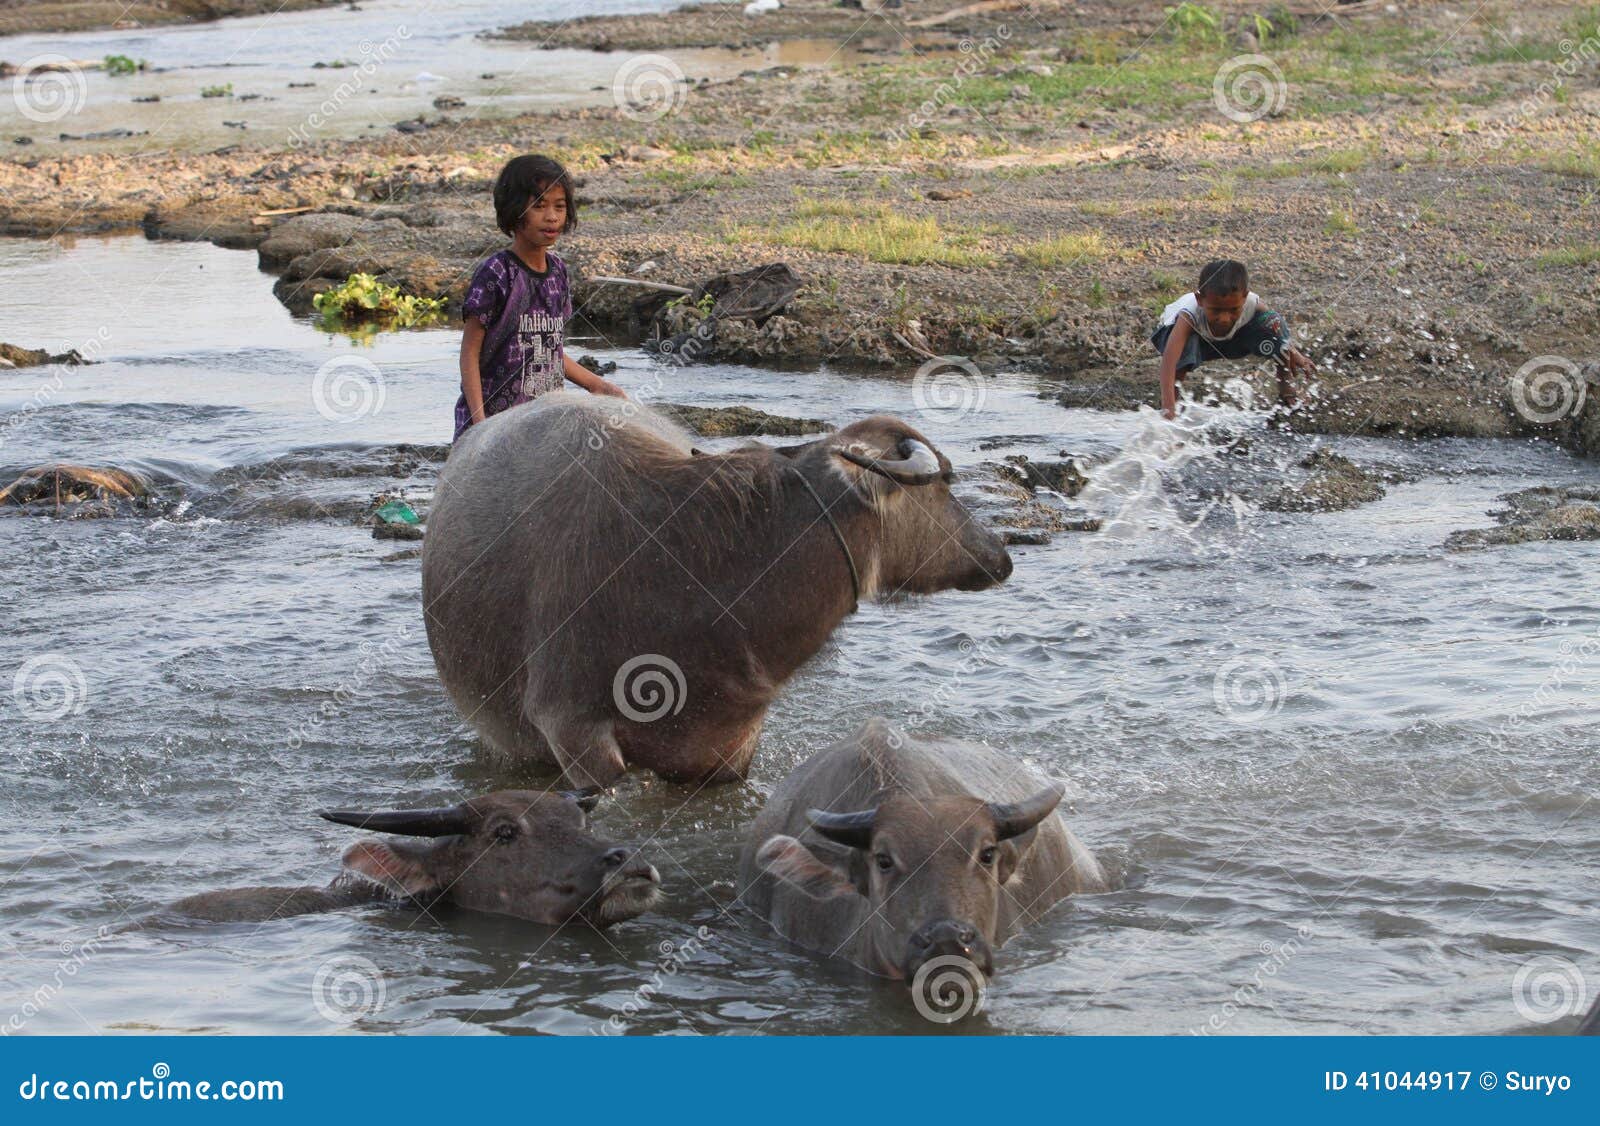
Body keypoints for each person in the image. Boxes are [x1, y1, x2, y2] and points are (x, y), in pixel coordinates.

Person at [455, 154, 623, 440]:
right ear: (513, 210)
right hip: (495, 425)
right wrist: (480, 423)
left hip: (544, 426)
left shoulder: (558, 272)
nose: (552, 217)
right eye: (539, 206)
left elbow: (549, 350)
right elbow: (469, 354)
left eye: (560, 206)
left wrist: (597, 385)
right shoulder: (498, 272)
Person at [1151, 259, 1315, 420]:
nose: (1224, 318)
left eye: (1233, 310)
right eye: (1216, 310)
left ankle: (1286, 387)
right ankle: (1172, 406)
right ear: (1200, 300)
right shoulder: (1189, 314)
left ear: (1245, 298)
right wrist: (1168, 408)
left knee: (1273, 320)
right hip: (1189, 342)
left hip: (1230, 342)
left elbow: (1276, 329)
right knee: (1181, 354)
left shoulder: (1252, 302)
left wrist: (1293, 352)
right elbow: (1169, 362)